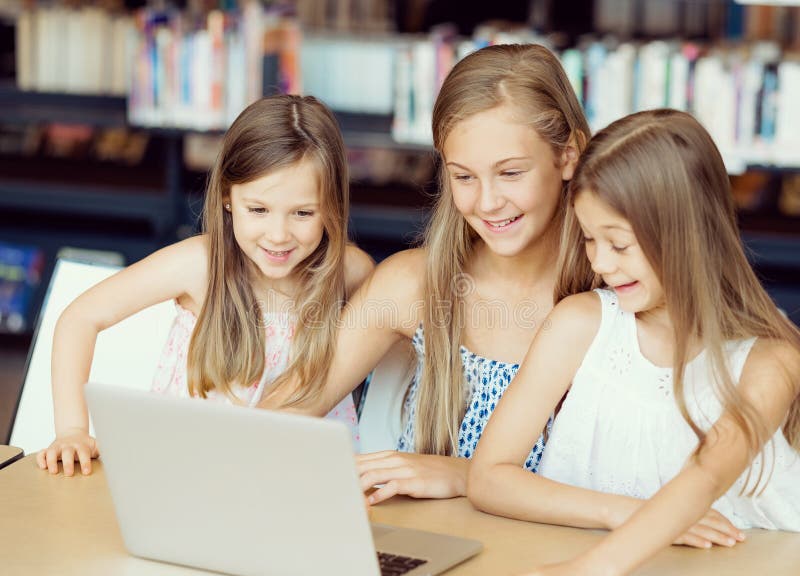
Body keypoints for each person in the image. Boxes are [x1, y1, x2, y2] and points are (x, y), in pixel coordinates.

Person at [469, 109, 800, 576]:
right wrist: (622, 513)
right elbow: (489, 477)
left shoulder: (772, 361)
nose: (600, 264)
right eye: (589, 239)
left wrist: (587, 575)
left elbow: (705, 478)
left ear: (687, 234)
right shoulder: (580, 325)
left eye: (619, 245)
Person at [265, 43, 590, 505]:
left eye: (511, 173)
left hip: (551, 566)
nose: (487, 201)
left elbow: (628, 489)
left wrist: (463, 476)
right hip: (421, 550)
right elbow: (280, 413)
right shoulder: (414, 285)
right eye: (464, 177)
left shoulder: (612, 299)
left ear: (568, 155)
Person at [37, 95, 374, 476]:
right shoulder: (200, 264)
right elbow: (80, 318)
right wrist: (71, 430)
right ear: (229, 198)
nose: (278, 235)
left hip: (306, 479)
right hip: (187, 473)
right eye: (258, 210)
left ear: (332, 205)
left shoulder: (349, 271)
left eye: (303, 213)